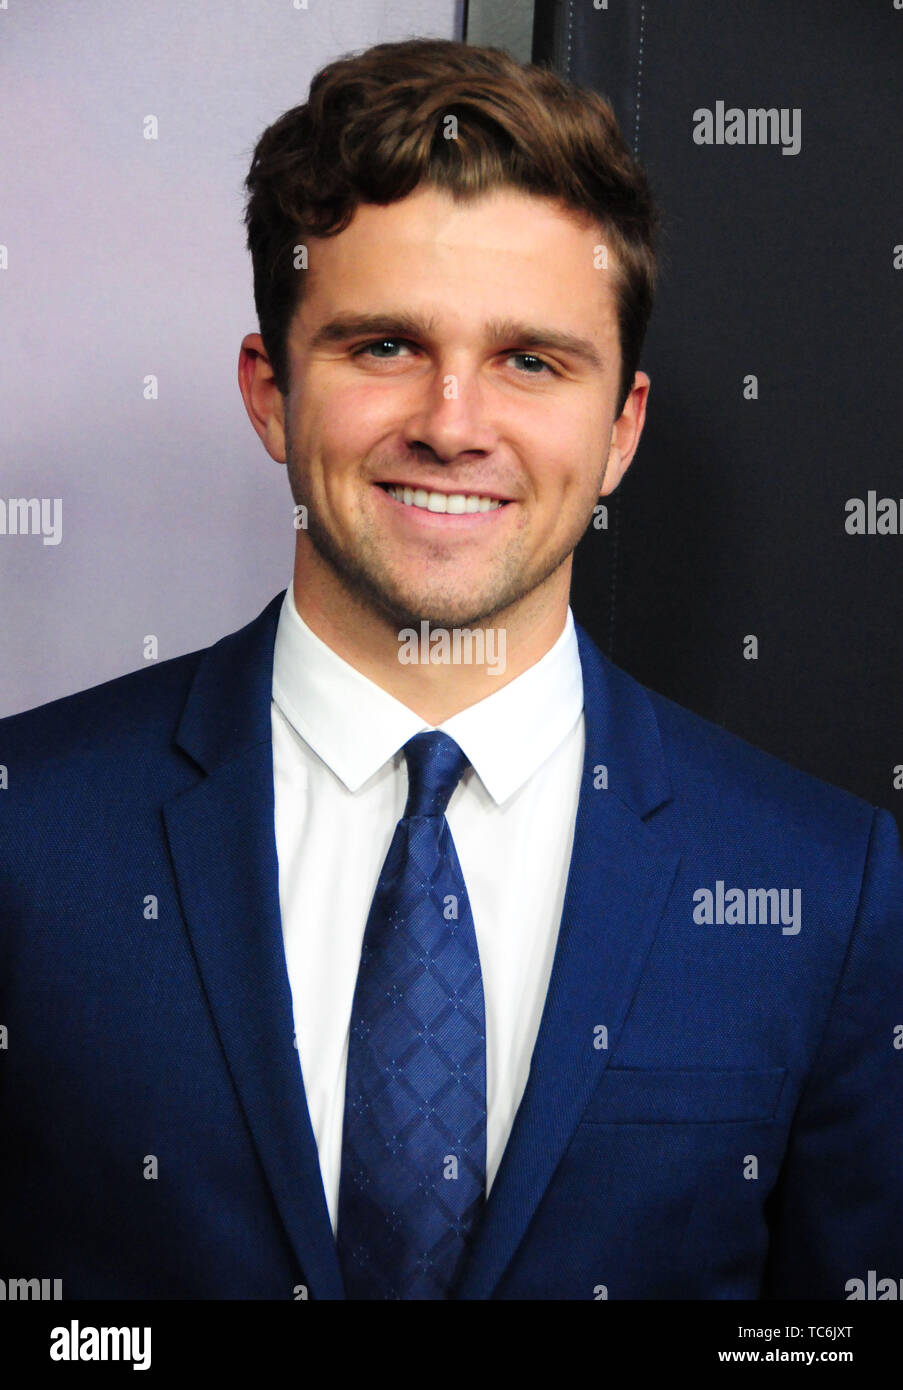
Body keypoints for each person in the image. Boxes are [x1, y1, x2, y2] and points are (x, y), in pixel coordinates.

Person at [1, 37, 901, 1302]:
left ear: (622, 428)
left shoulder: (821, 886)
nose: (453, 421)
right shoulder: (26, 832)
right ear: (270, 392)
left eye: (532, 360)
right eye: (383, 347)